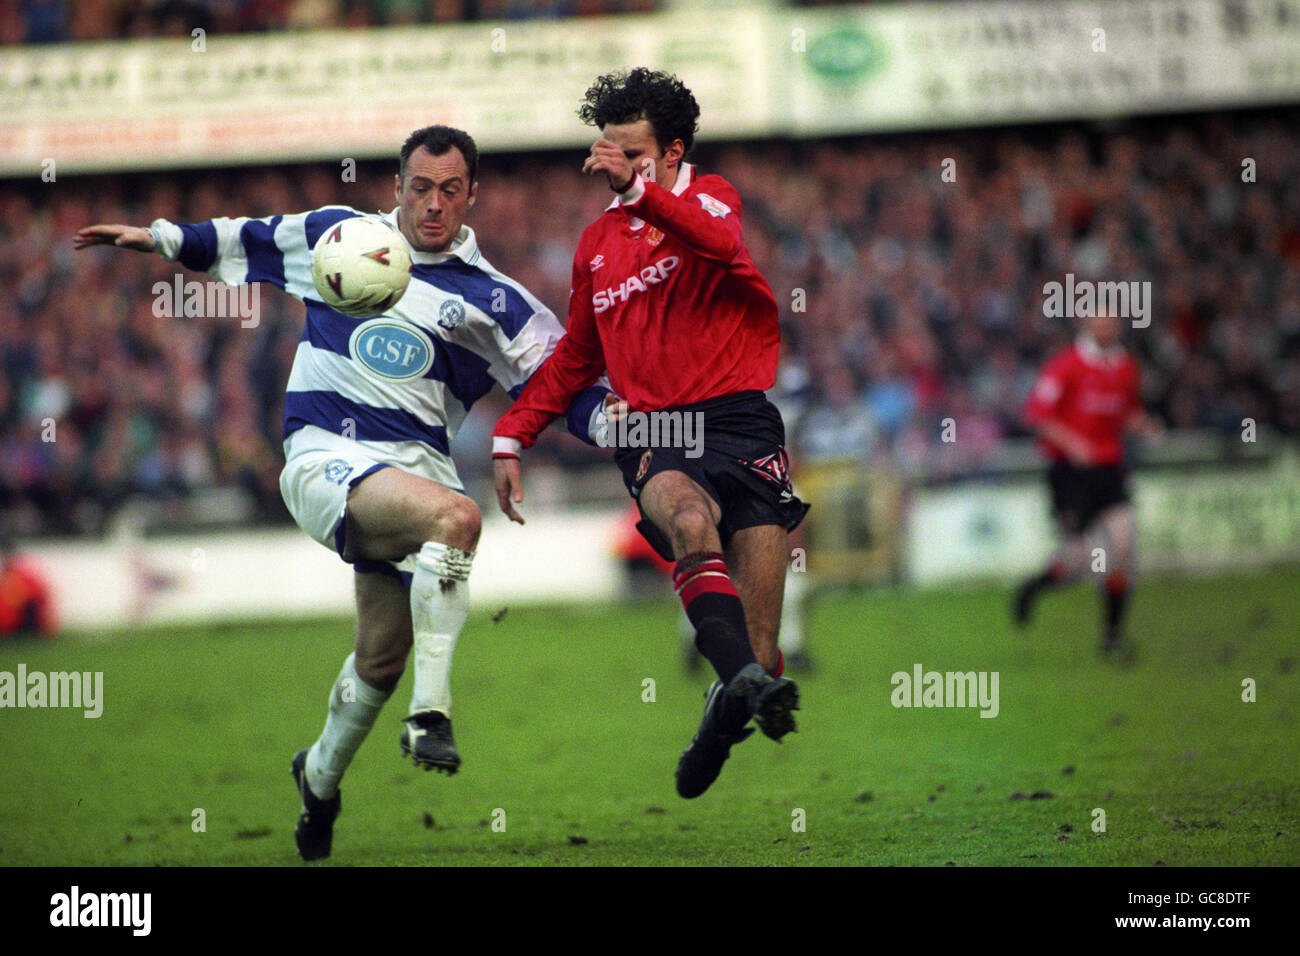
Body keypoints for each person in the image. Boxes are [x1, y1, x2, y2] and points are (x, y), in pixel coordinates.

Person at [75, 125, 610, 859]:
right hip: (322, 455)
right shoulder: (338, 236)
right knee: (458, 519)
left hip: (409, 478)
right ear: (396, 186)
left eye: (450, 190)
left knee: (377, 662)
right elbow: (250, 242)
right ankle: (433, 715)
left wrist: (647, 433)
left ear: (472, 196)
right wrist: (161, 237)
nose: (432, 204)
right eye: (419, 187)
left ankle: (318, 778)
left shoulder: (496, 302)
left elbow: (566, 386)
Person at [491, 69, 808, 799]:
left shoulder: (711, 197)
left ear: (671, 152)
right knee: (690, 520)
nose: (616, 169)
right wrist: (512, 435)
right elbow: (577, 354)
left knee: (761, 652)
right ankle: (741, 686)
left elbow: (718, 244)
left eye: (633, 157)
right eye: (610, 153)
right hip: (657, 428)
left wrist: (640, 193)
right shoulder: (596, 244)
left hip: (741, 420)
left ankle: (723, 714)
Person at [1014, 310, 1161, 660]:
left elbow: (1128, 412)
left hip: (1109, 470)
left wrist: (1145, 426)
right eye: (1099, 321)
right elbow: (1037, 415)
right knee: (1080, 561)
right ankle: (1033, 588)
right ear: (1087, 325)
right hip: (1070, 474)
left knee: (1123, 548)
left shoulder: (1125, 366)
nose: (1105, 327)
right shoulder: (1065, 365)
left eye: (1110, 321)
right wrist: (1072, 443)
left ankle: (1112, 636)